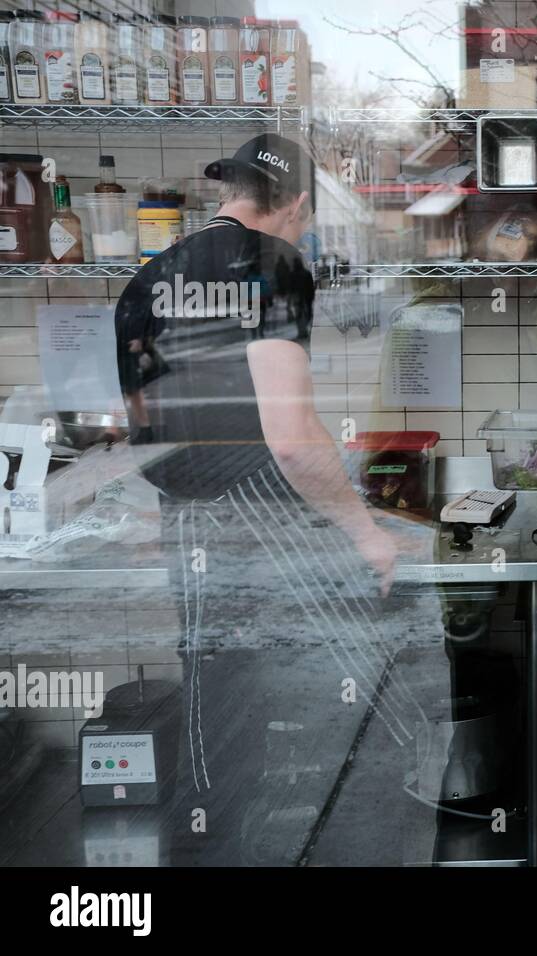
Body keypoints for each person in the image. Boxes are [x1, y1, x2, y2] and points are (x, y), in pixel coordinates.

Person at [114, 133, 418, 864]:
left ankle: (220, 850)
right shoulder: (273, 264)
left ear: (231, 192)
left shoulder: (147, 279)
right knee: (343, 710)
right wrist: (365, 530)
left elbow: (146, 428)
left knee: (216, 715)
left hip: (187, 526)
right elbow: (287, 435)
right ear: (298, 204)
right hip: (257, 523)